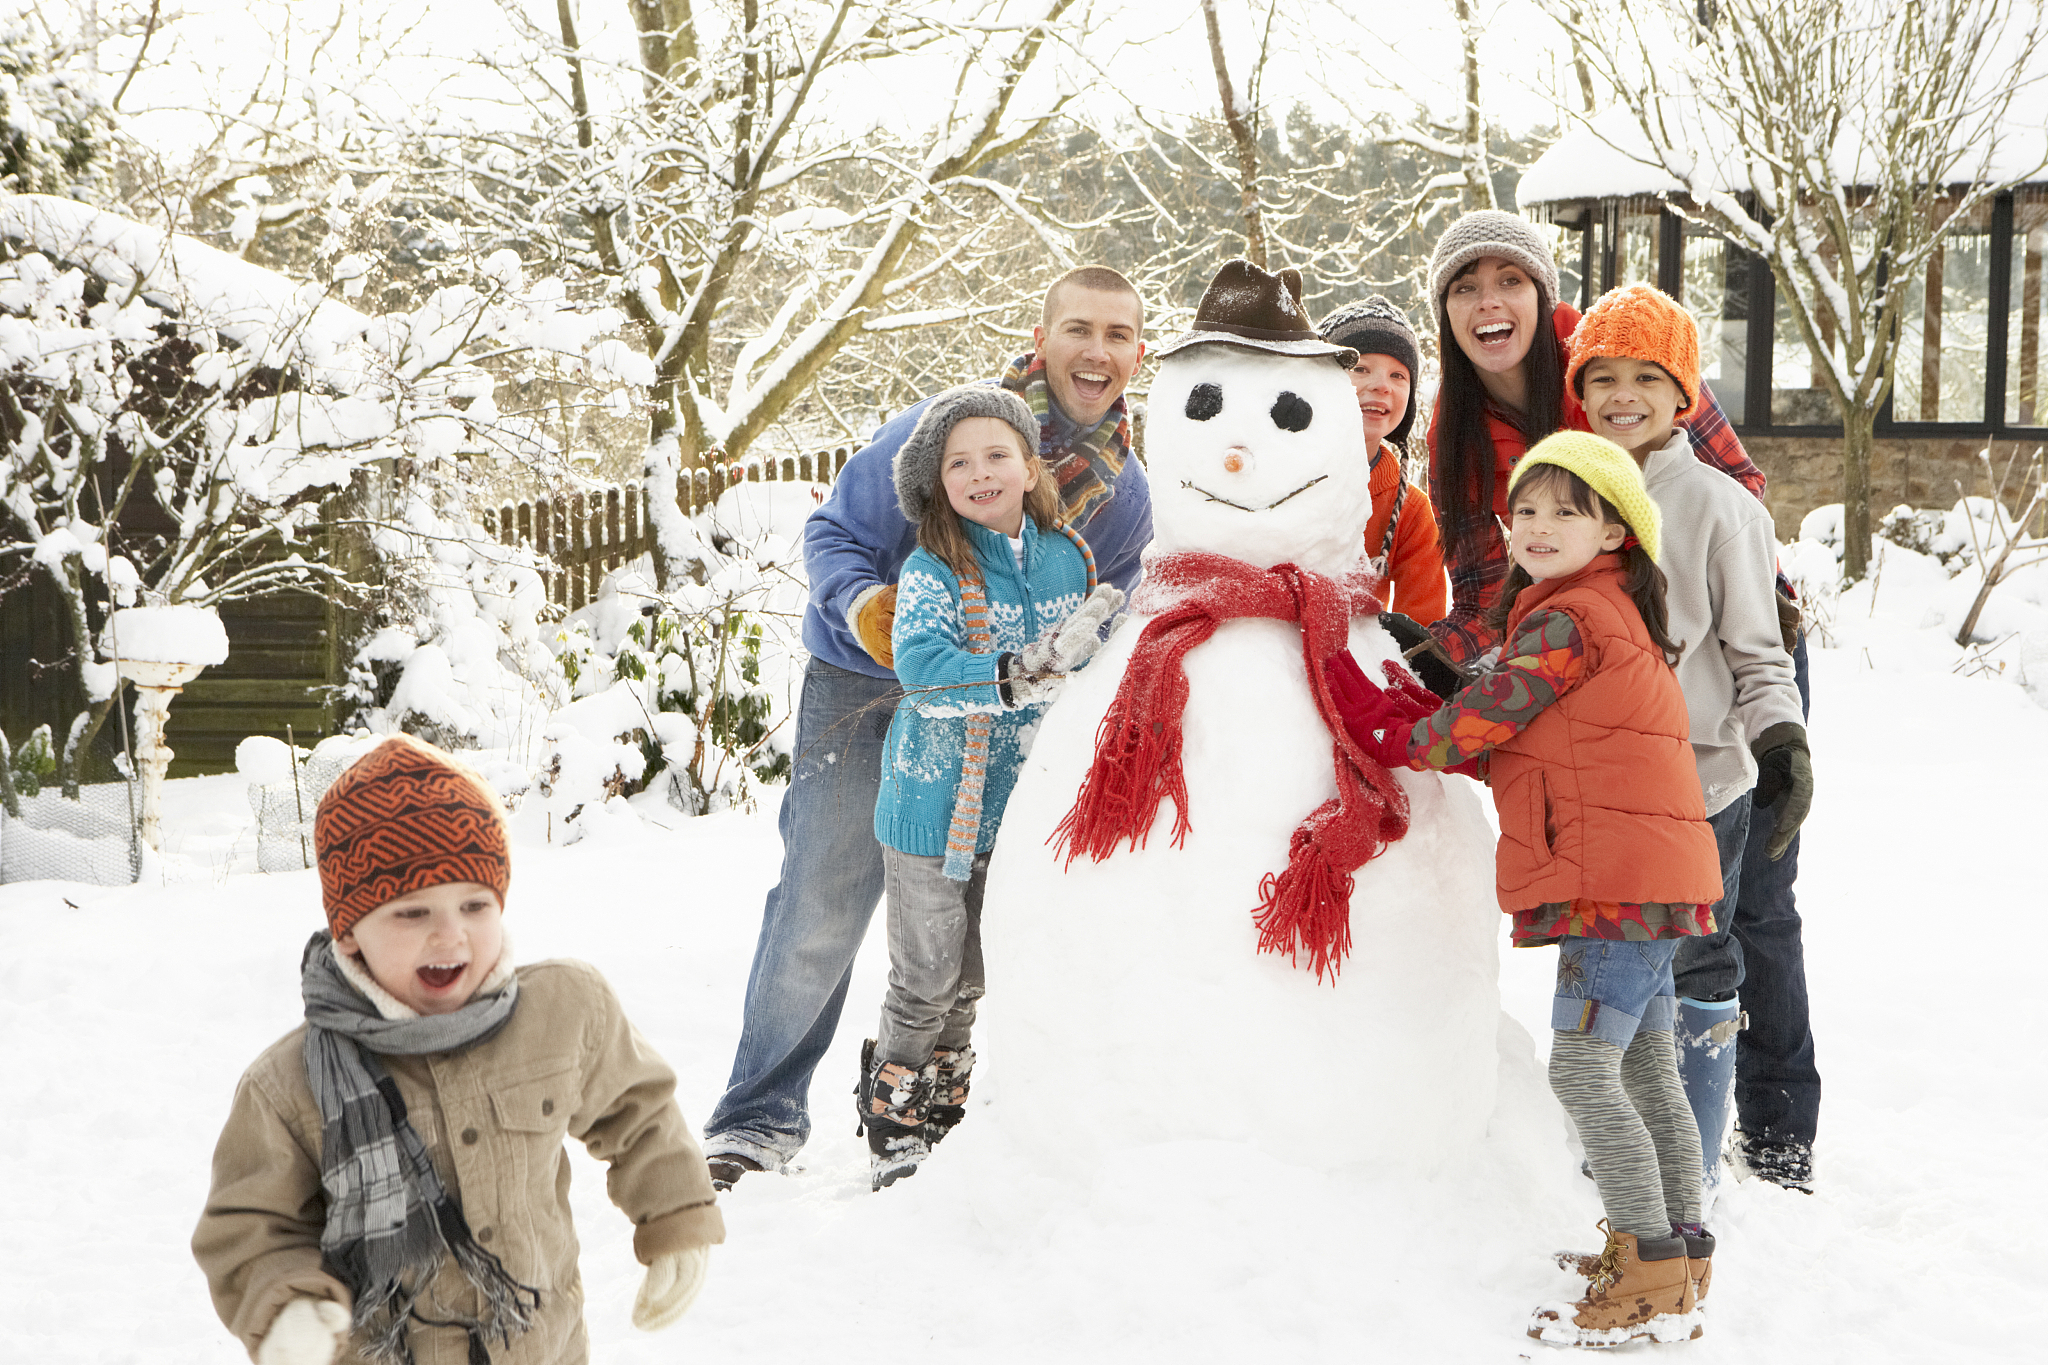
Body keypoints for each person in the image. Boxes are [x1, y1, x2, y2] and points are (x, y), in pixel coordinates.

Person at [704, 266, 1154, 1188]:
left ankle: (929, 1112)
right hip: (866, 680)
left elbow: (1107, 610)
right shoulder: (945, 430)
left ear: (1138, 353)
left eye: (1118, 333)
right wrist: (867, 608)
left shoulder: (1123, 494)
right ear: (1043, 335)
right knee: (825, 895)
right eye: (1079, 328)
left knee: (960, 926)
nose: (1096, 350)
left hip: (993, 722)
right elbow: (833, 534)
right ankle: (757, 1119)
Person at [1422, 209, 1823, 1191]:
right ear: (1444, 311)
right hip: (1614, 712)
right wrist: (1443, 663)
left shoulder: (1617, 348)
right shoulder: (1463, 431)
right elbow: (1494, 593)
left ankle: (1767, 1134)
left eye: (1505, 281)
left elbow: (1730, 495)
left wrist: (1761, 690)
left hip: (1735, 666)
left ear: (1539, 294)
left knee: (1745, 917)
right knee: (1654, 936)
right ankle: (1647, 1158)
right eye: (1465, 287)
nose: (1488, 302)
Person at [1327, 433, 1723, 1345]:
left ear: (1617, 529)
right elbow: (1527, 736)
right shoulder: (1603, 609)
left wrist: (1397, 736)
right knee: (1647, 1069)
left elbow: (1487, 717)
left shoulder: (1569, 619)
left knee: (1587, 1072)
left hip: (1614, 882)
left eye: (1566, 510)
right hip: (1655, 879)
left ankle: (1648, 1261)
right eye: (1526, 509)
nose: (1537, 527)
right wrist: (1437, 717)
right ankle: (1679, 1247)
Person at [192, 736, 722, 1365]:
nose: (451, 934)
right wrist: (286, 1307)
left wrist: (677, 1221)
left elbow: (640, 1115)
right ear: (351, 933)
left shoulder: (563, 1011)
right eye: (412, 913)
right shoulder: (289, 1085)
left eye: (475, 904)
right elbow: (251, 1227)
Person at [1565, 285, 1815, 1193]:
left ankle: (1691, 1171)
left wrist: (1782, 741)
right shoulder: (1566, 495)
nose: (1622, 394)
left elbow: (1756, 650)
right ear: (1580, 390)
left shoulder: (1719, 508)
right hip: (1593, 790)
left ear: (1683, 397)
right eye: (1602, 376)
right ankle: (1609, 1162)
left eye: (1646, 376)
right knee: (1603, 965)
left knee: (1700, 959)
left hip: (1700, 787)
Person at [855, 386, 1124, 1190]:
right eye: (959, 462)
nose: (980, 472)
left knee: (973, 974)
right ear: (937, 484)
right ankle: (893, 1119)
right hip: (932, 806)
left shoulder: (1067, 555)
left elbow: (1085, 662)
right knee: (925, 974)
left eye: (996, 454)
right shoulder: (933, 569)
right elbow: (926, 675)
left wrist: (1101, 628)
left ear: (1030, 464)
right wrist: (1016, 674)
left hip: (1016, 806)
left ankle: (945, 1105)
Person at [1313, 295, 1448, 624]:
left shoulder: (1411, 512)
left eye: (1398, 376)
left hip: (1352, 663)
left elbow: (1421, 628)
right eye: (1360, 369)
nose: (1381, 386)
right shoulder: (1273, 474)